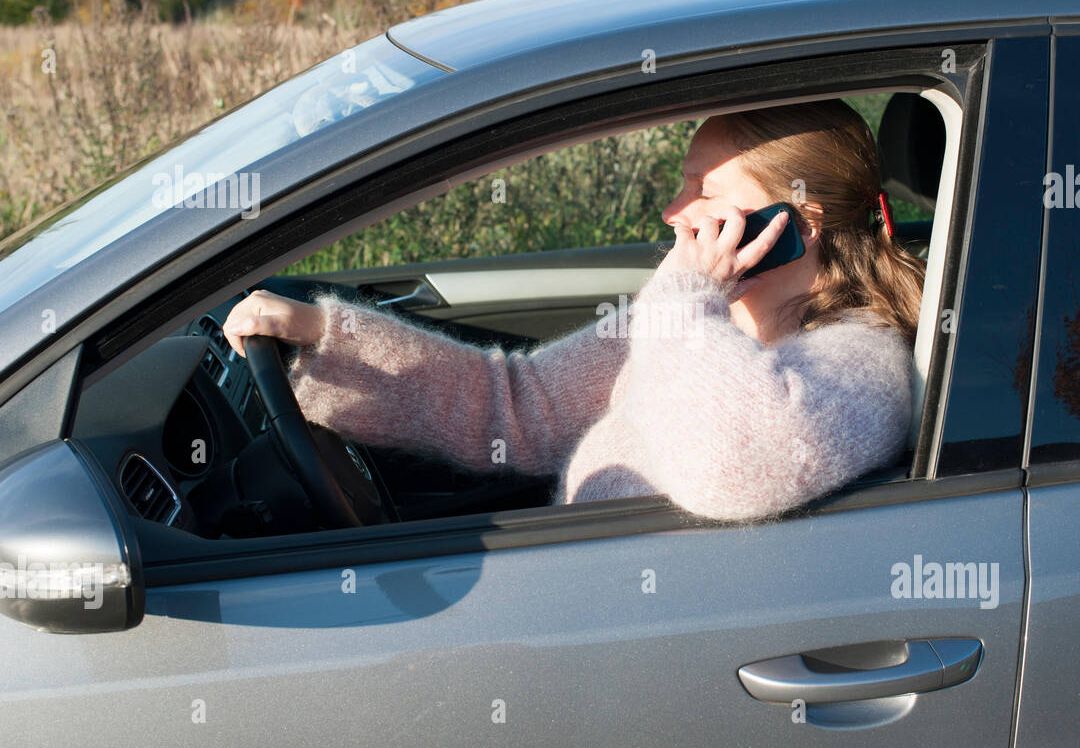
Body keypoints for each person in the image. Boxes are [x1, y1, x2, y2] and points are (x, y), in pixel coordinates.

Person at [223, 99, 926, 522]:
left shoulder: (859, 364)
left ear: (794, 224)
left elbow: (734, 458)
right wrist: (324, 334)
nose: (672, 212)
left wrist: (686, 299)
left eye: (701, 191)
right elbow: (515, 406)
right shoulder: (690, 313)